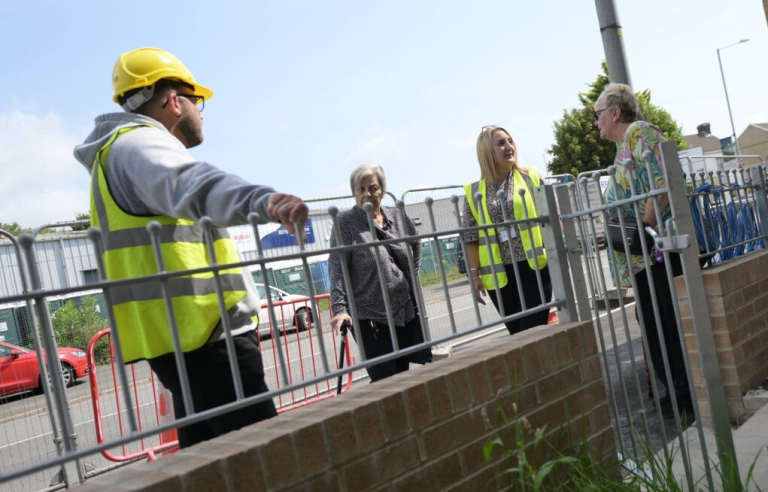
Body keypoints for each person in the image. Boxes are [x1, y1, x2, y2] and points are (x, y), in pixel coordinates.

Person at [74, 47, 309, 448]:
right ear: (173, 101)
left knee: (208, 466)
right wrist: (263, 201)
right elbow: (194, 183)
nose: (201, 114)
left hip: (177, 341)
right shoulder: (140, 146)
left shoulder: (112, 157)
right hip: (208, 338)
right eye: (198, 102)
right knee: (270, 460)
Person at [595, 83, 692, 417]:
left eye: (598, 115)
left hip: (657, 252)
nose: (596, 123)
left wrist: (645, 229)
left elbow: (663, 178)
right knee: (653, 323)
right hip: (644, 259)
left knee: (664, 323)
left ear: (615, 112)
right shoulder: (625, 144)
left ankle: (685, 392)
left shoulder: (639, 133)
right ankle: (680, 389)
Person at [329, 164, 431, 382]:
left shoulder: (397, 215)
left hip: (403, 309)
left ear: (382, 191)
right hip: (369, 315)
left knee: (405, 376)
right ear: (354, 193)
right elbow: (337, 266)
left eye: (373, 187)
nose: (367, 193)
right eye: (360, 189)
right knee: (385, 380)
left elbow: (415, 242)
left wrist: (410, 277)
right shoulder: (345, 223)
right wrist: (339, 309)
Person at [462, 125, 552, 335]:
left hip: (534, 266)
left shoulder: (531, 177)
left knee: (534, 331)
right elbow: (471, 238)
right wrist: (475, 277)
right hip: (499, 275)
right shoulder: (473, 192)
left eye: (510, 141)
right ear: (487, 152)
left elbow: (553, 218)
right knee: (517, 335)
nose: (508, 147)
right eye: (501, 143)